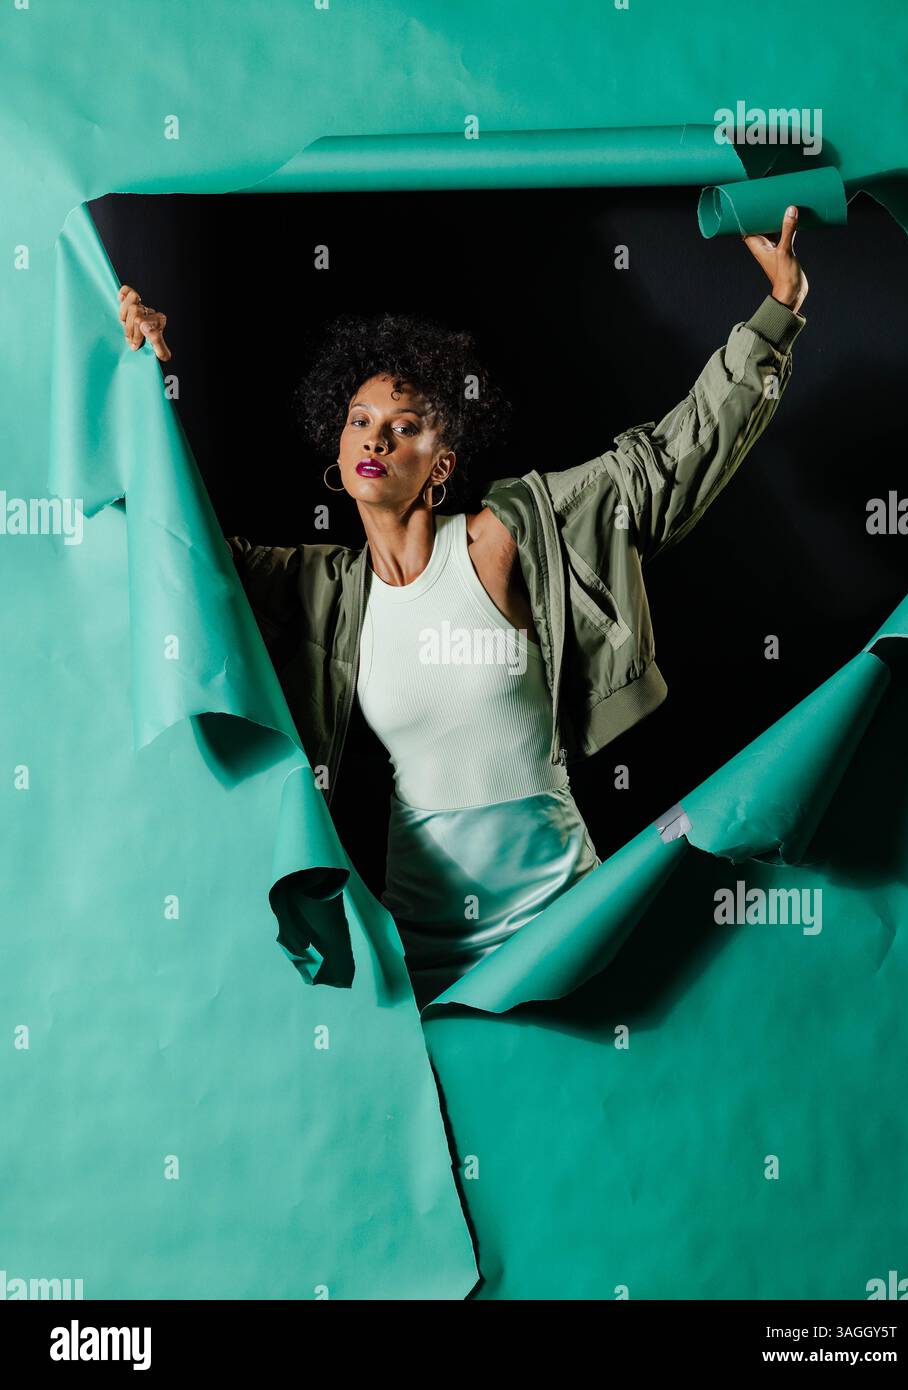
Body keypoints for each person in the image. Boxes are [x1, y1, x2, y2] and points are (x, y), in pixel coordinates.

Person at [117, 205, 808, 1006]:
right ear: (338, 457)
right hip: (424, 938)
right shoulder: (319, 590)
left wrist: (777, 312)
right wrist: (138, 381)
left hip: (558, 907)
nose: (375, 440)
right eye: (360, 423)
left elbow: (661, 465)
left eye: (402, 428)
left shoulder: (501, 540)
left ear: (438, 466)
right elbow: (176, 549)